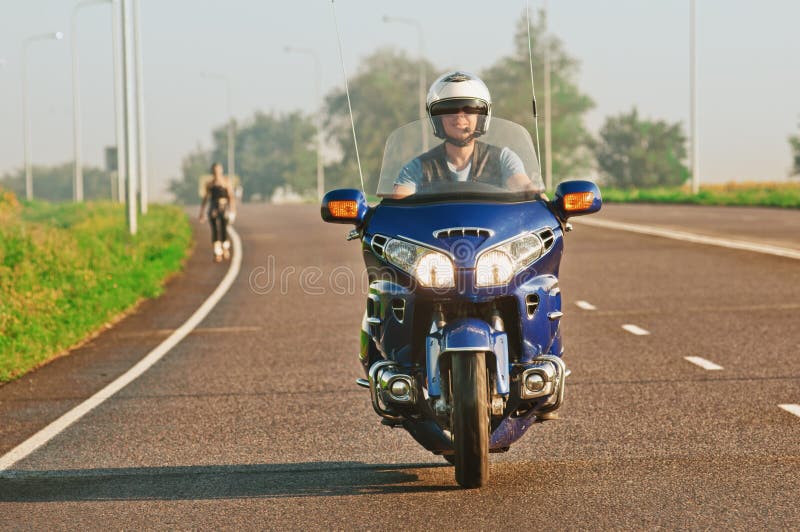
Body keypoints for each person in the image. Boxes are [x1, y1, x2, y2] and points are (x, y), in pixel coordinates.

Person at [392, 71, 542, 199]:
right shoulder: (418, 167)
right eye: (448, 108)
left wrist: (542, 201)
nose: (459, 116)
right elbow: (397, 203)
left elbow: (523, 185)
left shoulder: (502, 159)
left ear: (482, 116)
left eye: (470, 108)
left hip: (497, 233)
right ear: (437, 118)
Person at [198, 162, 237, 262]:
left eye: (218, 170)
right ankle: (217, 252)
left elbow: (231, 197)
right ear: (212, 171)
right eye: (215, 170)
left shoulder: (226, 182)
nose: (217, 172)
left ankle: (225, 248)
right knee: (215, 230)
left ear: (221, 170)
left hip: (224, 208)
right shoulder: (210, 184)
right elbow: (205, 198)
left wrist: (233, 210)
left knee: (224, 228)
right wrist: (201, 212)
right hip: (213, 208)